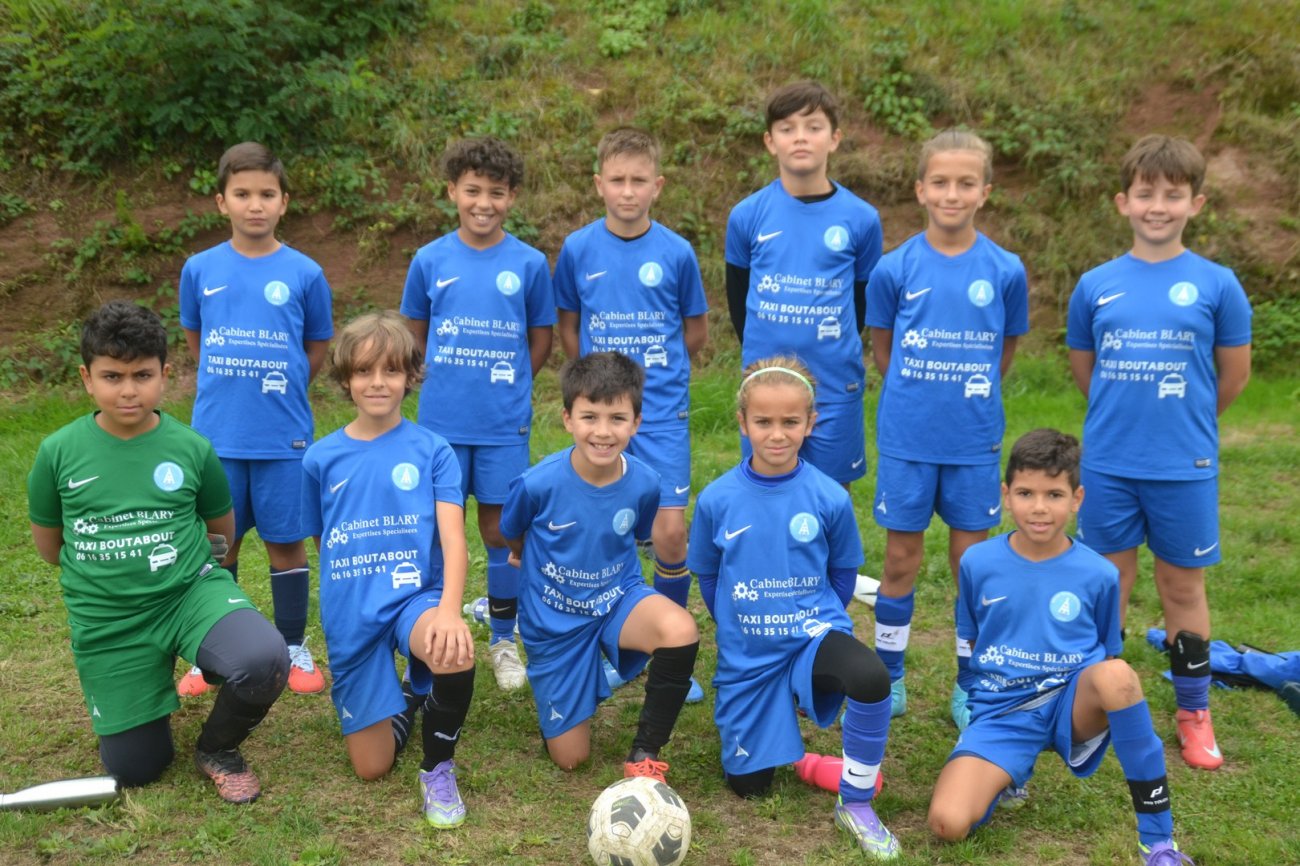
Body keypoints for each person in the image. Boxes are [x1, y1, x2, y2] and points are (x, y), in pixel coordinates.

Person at [27, 301, 289, 804]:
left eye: (142, 375)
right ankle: (147, 682)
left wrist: (185, 581)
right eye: (112, 376)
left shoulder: (192, 448)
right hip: (110, 620)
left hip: (188, 595)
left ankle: (217, 747)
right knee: (140, 768)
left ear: (164, 375)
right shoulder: (57, 453)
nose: (128, 390)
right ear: (87, 378)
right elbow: (50, 548)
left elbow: (220, 533)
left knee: (263, 658)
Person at [1066, 134, 1251, 770]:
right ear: (1123, 202)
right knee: (1106, 581)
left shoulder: (1217, 285)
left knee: (1181, 585)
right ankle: (1099, 704)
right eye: (1146, 193)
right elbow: (1086, 370)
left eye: (1173, 195)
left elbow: (1231, 377)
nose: (1158, 206)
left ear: (1195, 203)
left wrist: (1186, 424)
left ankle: (1193, 712)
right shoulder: (1096, 285)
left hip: (1184, 466)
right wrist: (1125, 422)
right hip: (1110, 463)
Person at [928, 429, 1196, 866]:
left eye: (1054, 494)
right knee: (947, 823)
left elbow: (1108, 650)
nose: (1038, 507)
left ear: (1077, 498)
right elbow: (971, 639)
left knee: (1117, 676)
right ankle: (1006, 777)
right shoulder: (977, 562)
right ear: (1006, 495)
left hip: (1071, 704)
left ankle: (1158, 841)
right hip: (1004, 712)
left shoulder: (1099, 574)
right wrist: (973, 702)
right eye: (1025, 493)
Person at [688, 357, 899, 860]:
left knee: (870, 678)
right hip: (749, 656)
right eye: (763, 422)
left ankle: (856, 800)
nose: (776, 434)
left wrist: (814, 618)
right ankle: (803, 759)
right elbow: (710, 574)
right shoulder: (717, 499)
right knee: (750, 786)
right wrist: (737, 627)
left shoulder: (828, 497)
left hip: (810, 636)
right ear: (742, 423)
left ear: (810, 423)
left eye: (790, 422)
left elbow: (843, 574)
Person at [865, 129, 1029, 723]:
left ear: (984, 191)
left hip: (973, 441)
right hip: (910, 438)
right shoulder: (895, 266)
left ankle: (971, 682)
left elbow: (1003, 353)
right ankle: (889, 674)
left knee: (972, 569)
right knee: (900, 560)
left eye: (965, 183)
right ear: (920, 189)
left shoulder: (1006, 270)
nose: (952, 193)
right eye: (940, 182)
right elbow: (885, 350)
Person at [300, 311, 476, 827]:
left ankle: (438, 769)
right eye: (364, 372)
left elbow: (455, 539)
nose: (378, 383)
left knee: (453, 649)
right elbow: (322, 539)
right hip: (352, 611)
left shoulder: (433, 451)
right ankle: (409, 695)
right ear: (345, 380)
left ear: (410, 377)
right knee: (371, 768)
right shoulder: (320, 458)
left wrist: (448, 610)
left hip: (413, 599)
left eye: (391, 371)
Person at [553, 127, 708, 699]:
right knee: (600, 528)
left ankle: (670, 651)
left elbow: (694, 331)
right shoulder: (578, 249)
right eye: (616, 180)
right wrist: (593, 391)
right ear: (599, 184)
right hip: (601, 416)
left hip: (661, 414)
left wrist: (654, 385)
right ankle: (605, 644)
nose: (627, 191)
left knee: (669, 532)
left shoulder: (676, 252)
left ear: (657, 186)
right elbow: (568, 321)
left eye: (638, 180)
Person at [178, 141, 334, 697]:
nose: (255, 205)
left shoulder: (305, 272)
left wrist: (285, 385)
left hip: (282, 436)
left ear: (284, 201)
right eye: (242, 194)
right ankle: (210, 651)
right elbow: (198, 340)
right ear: (222, 202)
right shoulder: (200, 269)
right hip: (218, 435)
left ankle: (292, 644)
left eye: (266, 194)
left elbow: (316, 345)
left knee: (286, 543)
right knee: (218, 547)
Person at [499, 352, 699, 783]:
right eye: (590, 417)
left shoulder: (646, 481)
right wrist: (524, 556)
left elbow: (633, 535)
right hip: (555, 621)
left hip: (616, 598)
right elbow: (511, 533)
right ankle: (576, 678)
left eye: (617, 418)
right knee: (572, 760)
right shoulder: (538, 483)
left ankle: (645, 754)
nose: (604, 432)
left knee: (680, 629)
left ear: (636, 422)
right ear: (567, 418)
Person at [400, 136, 555, 692]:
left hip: (500, 424)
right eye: (472, 191)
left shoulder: (530, 263)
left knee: (499, 527)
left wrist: (510, 385)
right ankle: (434, 631)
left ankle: (504, 638)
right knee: (437, 530)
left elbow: (541, 339)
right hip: (440, 424)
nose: (483, 202)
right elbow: (413, 336)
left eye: (496, 192)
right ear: (452, 192)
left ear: (511, 196)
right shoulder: (430, 259)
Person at [724, 81, 883, 489]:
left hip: (834, 382)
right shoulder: (747, 216)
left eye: (813, 127)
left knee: (830, 494)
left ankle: (828, 557)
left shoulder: (861, 219)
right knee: (764, 488)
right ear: (769, 141)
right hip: (767, 381)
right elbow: (739, 302)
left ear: (834, 139)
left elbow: (862, 302)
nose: (800, 137)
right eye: (787, 128)